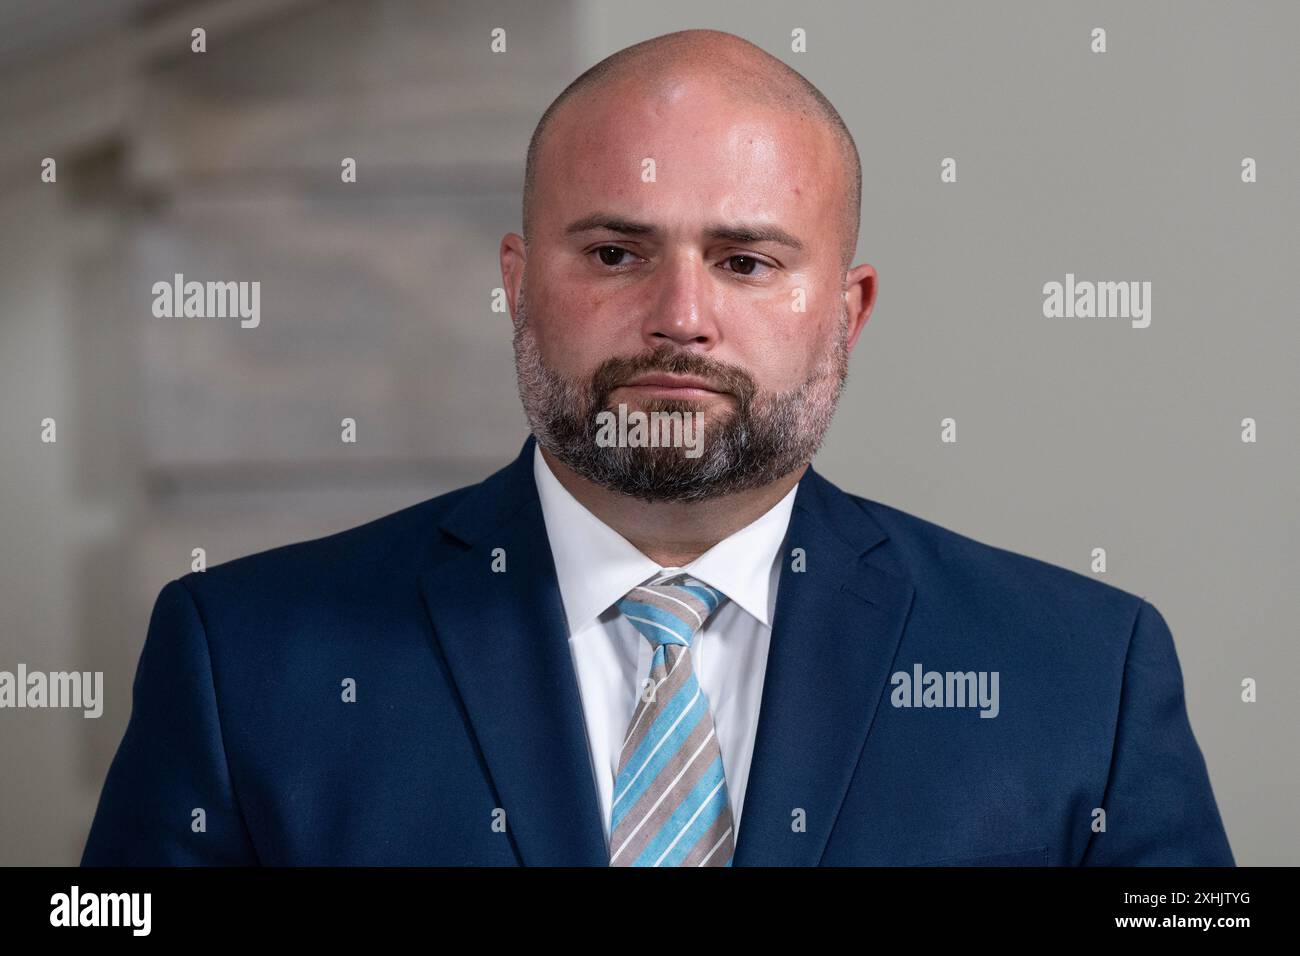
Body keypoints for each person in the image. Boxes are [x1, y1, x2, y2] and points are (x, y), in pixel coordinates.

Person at [82, 29, 1233, 867]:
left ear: (848, 310)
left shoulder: (1085, 676)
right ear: (520, 284)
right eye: (616, 254)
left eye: (745, 261)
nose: (680, 314)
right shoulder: (243, 661)